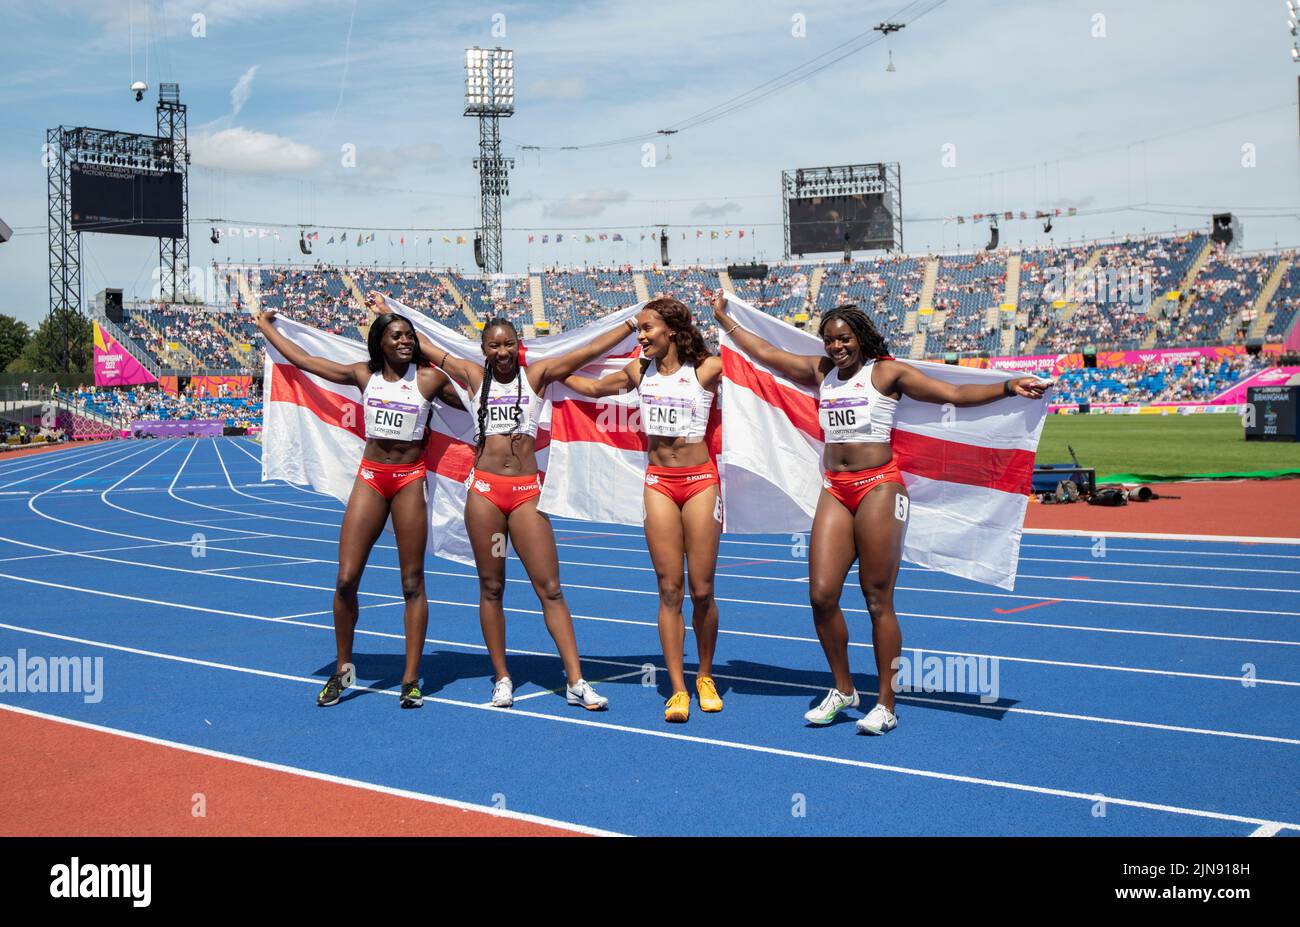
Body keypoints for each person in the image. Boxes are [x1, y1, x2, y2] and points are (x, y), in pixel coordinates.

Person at [712, 294, 1049, 734]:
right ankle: (844, 689)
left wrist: (1008, 386)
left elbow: (953, 394)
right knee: (821, 595)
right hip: (835, 488)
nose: (837, 347)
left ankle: (886, 704)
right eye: (830, 340)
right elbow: (769, 354)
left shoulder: (885, 372)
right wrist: (726, 320)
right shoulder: (822, 373)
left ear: (861, 337)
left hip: (879, 487)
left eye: (845, 338)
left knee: (876, 598)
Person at [387, 294, 625, 711]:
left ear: (518, 346)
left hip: (526, 494)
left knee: (549, 587)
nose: (501, 352)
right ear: (483, 350)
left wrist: (627, 327)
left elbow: (585, 352)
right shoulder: (472, 377)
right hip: (485, 496)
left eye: (508, 344)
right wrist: (389, 315)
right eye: (494, 345)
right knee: (492, 586)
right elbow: (428, 348)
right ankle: (502, 678)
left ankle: (576, 680)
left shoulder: (537, 377)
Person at [257, 306, 455, 710]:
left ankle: (411, 679)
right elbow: (305, 361)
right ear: (379, 342)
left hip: (409, 480)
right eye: (396, 335)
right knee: (346, 579)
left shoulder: (431, 378)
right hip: (370, 478)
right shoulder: (363, 375)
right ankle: (343, 668)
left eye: (409, 336)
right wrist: (265, 328)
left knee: (412, 583)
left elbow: (475, 395)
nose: (404, 341)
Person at [563, 296, 723, 724]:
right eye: (638, 330)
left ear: (672, 330)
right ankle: (677, 687)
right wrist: (549, 373)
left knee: (702, 589)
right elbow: (593, 387)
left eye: (648, 329)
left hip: (700, 482)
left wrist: (727, 318)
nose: (642, 336)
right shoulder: (639, 371)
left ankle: (705, 676)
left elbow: (757, 368)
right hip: (659, 483)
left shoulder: (706, 369)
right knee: (669, 589)